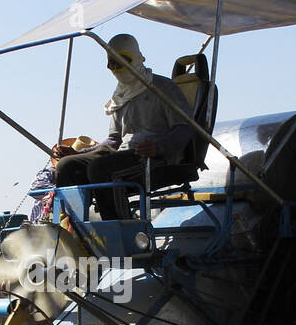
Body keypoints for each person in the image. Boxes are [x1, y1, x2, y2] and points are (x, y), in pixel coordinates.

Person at [52, 34, 194, 219]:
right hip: (122, 154)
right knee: (66, 166)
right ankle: (72, 229)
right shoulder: (120, 94)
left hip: (156, 160)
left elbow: (185, 128)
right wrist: (78, 153)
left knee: (100, 168)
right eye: (111, 63)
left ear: (135, 57)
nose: (115, 67)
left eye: (121, 61)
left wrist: (159, 147)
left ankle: (120, 230)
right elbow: (114, 139)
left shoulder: (163, 88)